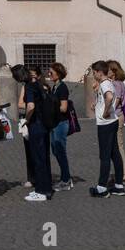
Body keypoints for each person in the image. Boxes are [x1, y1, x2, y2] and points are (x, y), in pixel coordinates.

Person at [17, 64, 53, 201]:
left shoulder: (29, 87)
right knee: (44, 157)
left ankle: (41, 191)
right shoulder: (39, 85)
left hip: (36, 125)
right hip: (43, 124)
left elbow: (30, 106)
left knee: (38, 158)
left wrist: (26, 119)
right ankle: (46, 188)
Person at [89, 61, 125, 197]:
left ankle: (102, 188)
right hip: (112, 121)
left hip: (106, 123)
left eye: (94, 73)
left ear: (99, 72)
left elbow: (109, 97)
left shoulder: (105, 84)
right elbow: (106, 98)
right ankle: (119, 186)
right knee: (115, 153)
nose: (93, 75)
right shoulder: (107, 83)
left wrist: (105, 111)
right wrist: (97, 104)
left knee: (104, 155)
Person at [46, 62, 74, 190]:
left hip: (61, 123)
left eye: (51, 72)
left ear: (58, 73)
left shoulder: (62, 88)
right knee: (56, 151)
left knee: (60, 151)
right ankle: (65, 177)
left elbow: (63, 108)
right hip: (54, 123)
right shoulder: (54, 87)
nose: (49, 74)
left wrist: (51, 107)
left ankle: (66, 180)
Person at [106, 61, 125, 183]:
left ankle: (123, 174)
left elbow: (117, 100)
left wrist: (108, 111)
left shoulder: (117, 84)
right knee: (115, 146)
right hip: (116, 116)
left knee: (118, 146)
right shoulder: (115, 83)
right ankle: (120, 172)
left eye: (108, 70)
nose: (106, 72)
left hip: (116, 116)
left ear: (113, 71)